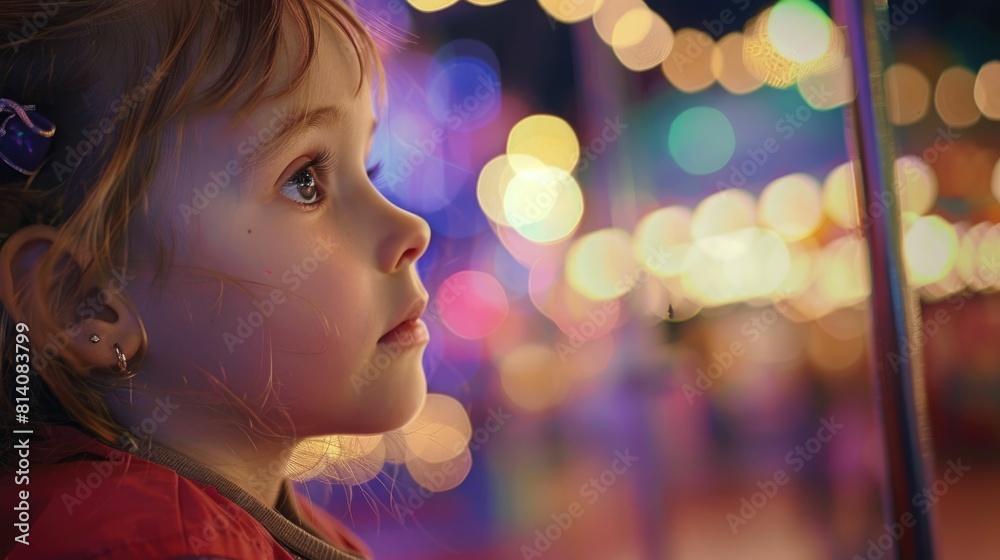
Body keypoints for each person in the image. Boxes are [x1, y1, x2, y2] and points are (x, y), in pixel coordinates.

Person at [0, 1, 433, 558]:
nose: (412, 228)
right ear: (87, 303)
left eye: (367, 168)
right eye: (304, 181)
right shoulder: (148, 543)